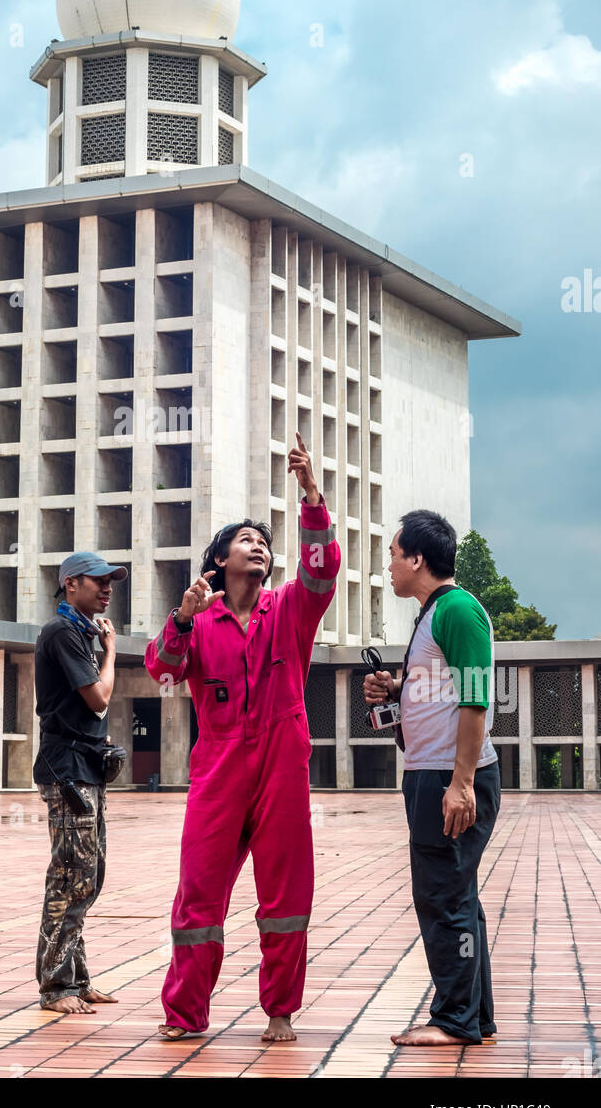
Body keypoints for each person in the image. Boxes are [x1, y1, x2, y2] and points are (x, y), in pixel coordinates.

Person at [145, 433, 340, 1043]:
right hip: (220, 767)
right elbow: (164, 668)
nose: (257, 548)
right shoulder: (198, 621)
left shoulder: (291, 609)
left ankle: (280, 1011)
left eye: (263, 543)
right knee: (198, 895)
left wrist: (310, 493)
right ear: (220, 561)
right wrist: (181, 617)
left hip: (283, 763)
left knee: (286, 893)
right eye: (245, 541)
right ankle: (185, 1013)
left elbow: (323, 566)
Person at [364, 510, 500, 1048]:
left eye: (394, 556)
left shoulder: (460, 610)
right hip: (430, 774)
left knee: (443, 897)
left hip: (451, 777)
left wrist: (461, 784)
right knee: (454, 894)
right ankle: (475, 1016)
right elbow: (441, 690)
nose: (389, 567)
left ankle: (454, 1021)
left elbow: (474, 699)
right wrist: (394, 690)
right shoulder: (432, 613)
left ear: (417, 558)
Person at [33, 551, 127, 1015]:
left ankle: (77, 977)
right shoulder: (64, 632)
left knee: (88, 875)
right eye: (98, 581)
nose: (107, 588)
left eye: (111, 582)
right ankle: (55, 987)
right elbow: (99, 697)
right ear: (70, 584)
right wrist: (111, 653)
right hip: (65, 769)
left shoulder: (81, 631)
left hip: (85, 767)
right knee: (71, 875)